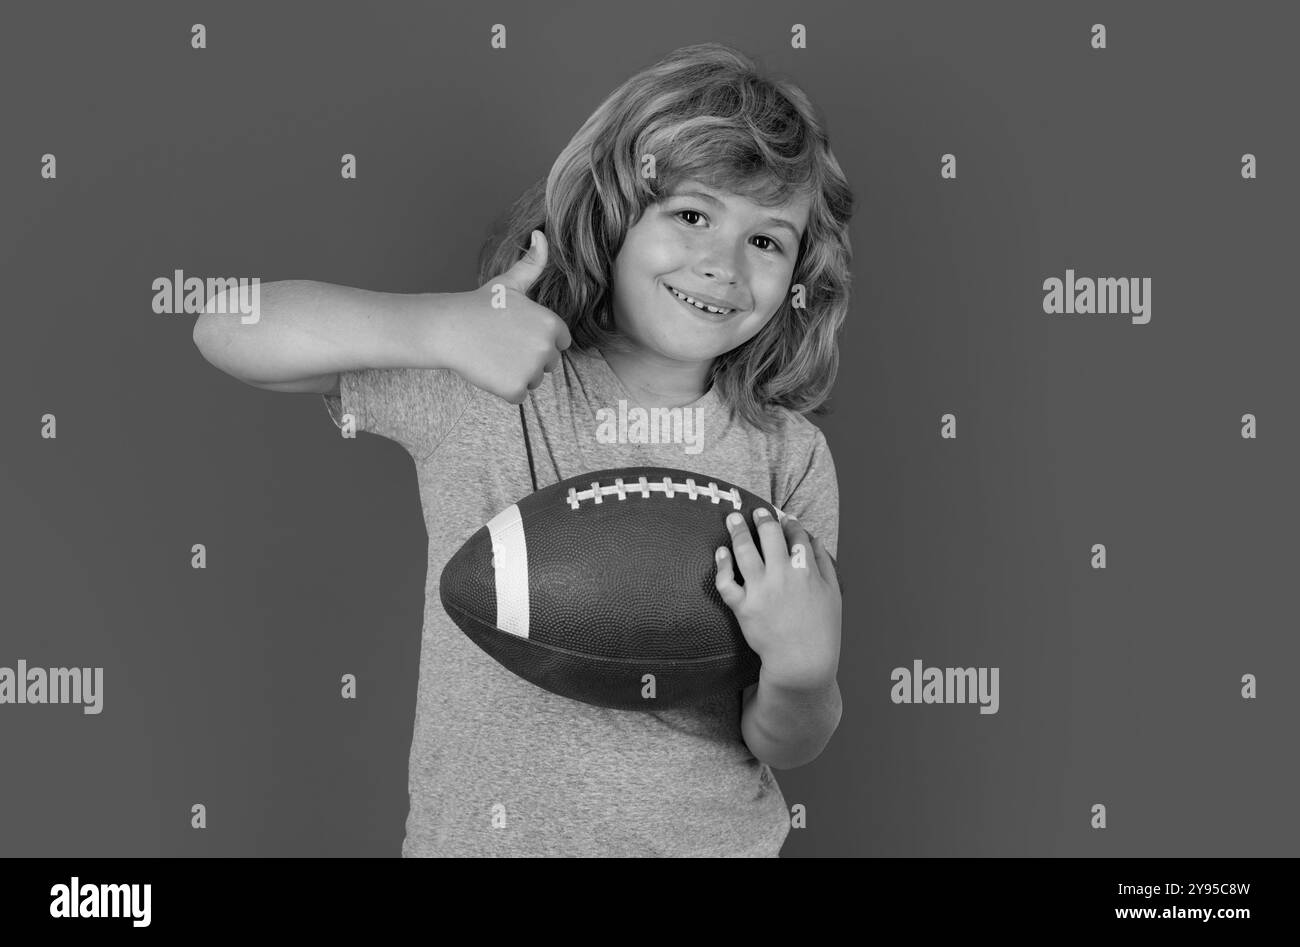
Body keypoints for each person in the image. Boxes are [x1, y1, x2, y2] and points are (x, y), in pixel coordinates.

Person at [193, 41, 855, 857]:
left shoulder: (789, 455)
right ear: (615, 213)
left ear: (799, 272)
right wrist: (438, 326)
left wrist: (802, 673)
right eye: (691, 214)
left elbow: (785, 738)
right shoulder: (485, 381)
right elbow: (226, 324)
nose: (722, 265)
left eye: (768, 241)